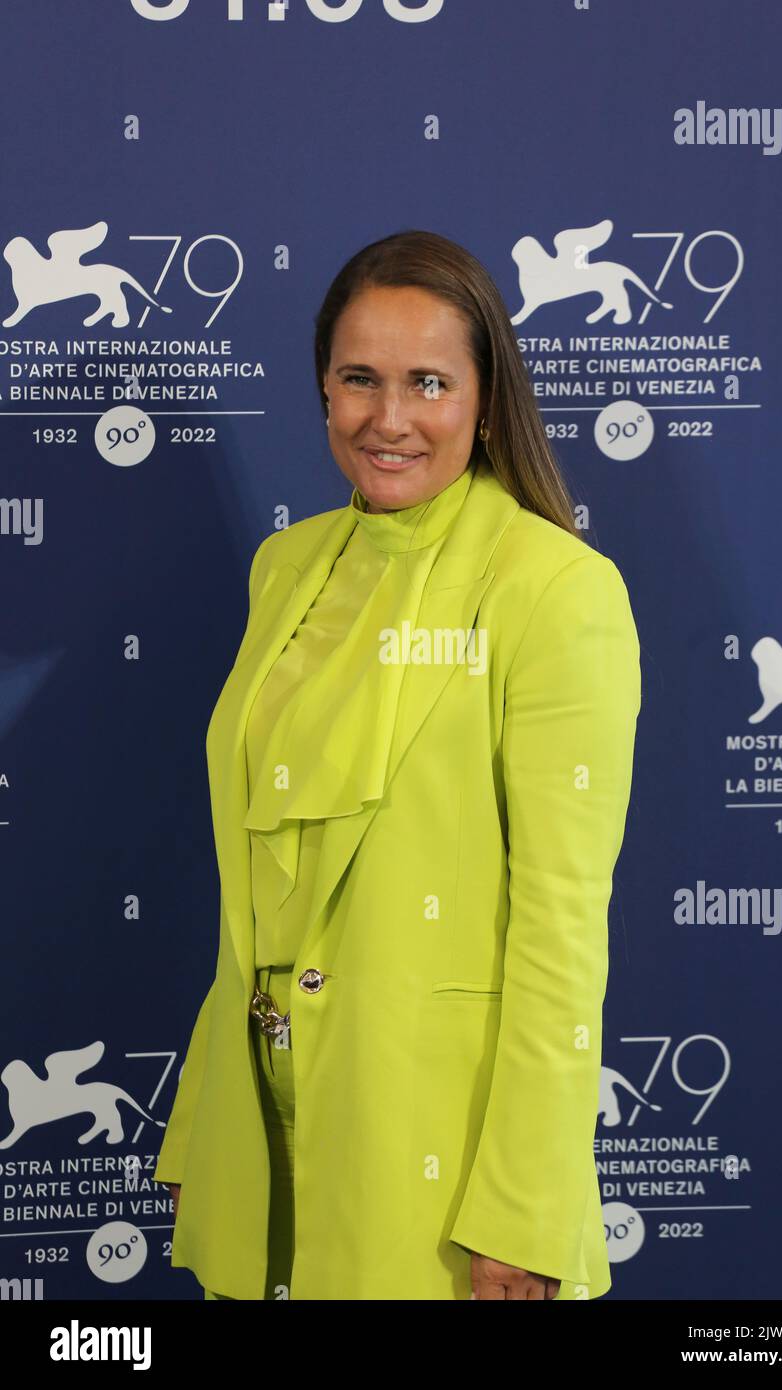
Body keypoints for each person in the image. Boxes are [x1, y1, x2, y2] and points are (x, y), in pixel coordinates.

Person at [156, 229, 642, 1301]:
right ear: (321, 389)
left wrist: (523, 1211)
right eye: (356, 380)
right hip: (266, 1135)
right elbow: (256, 900)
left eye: (428, 381)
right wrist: (201, 1131)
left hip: (439, 1166)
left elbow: (561, 932)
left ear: (483, 395)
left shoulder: (554, 589)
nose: (388, 418)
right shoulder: (283, 568)